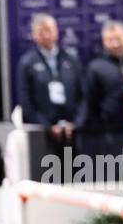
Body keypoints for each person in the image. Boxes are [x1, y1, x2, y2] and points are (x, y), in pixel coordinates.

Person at [77, 20, 123, 158]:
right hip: (112, 135)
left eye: (118, 39)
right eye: (110, 40)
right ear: (104, 42)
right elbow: (89, 103)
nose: (115, 44)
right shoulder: (96, 67)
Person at [15, 13, 85, 152]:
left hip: (72, 132)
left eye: (49, 30)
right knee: (48, 172)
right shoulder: (27, 63)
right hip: (42, 133)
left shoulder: (72, 60)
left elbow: (84, 96)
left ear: (56, 32)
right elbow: (25, 100)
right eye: (41, 31)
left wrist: (76, 123)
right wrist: (47, 126)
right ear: (34, 35)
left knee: (75, 172)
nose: (46, 35)